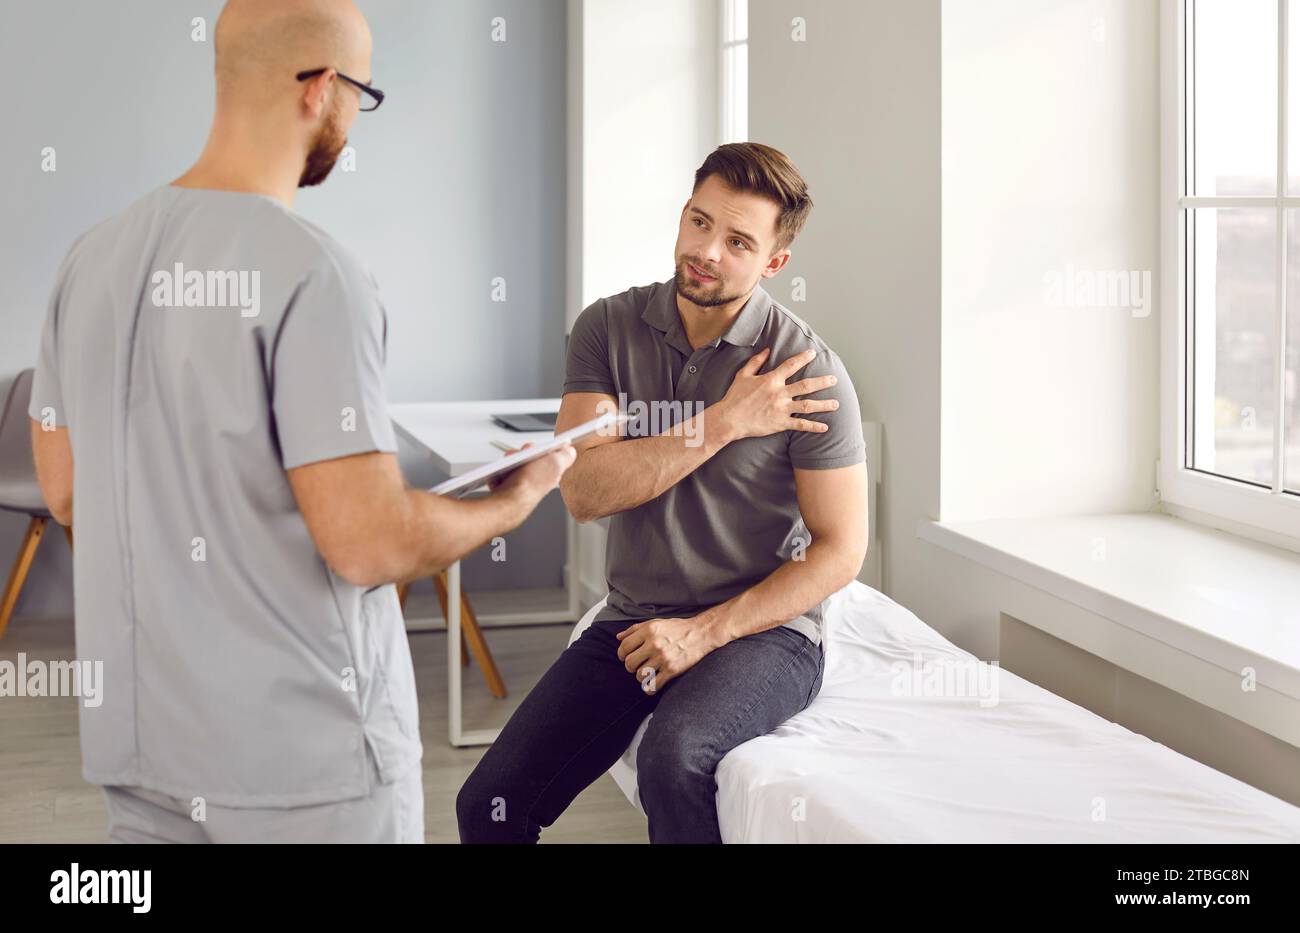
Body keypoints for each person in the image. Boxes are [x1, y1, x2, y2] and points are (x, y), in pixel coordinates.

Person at [28, 0, 573, 843]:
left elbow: (64, 494)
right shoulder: (313, 272)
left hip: (142, 753)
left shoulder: (88, 260)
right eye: (362, 94)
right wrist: (515, 499)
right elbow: (370, 542)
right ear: (319, 89)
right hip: (305, 769)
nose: (355, 120)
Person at [457, 142, 868, 844]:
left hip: (765, 634)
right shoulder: (607, 329)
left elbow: (841, 551)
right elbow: (584, 490)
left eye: (738, 241)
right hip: (634, 619)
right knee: (489, 802)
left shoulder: (807, 371)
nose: (706, 250)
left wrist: (703, 632)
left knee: (674, 759)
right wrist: (723, 424)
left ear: (773, 263)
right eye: (698, 221)